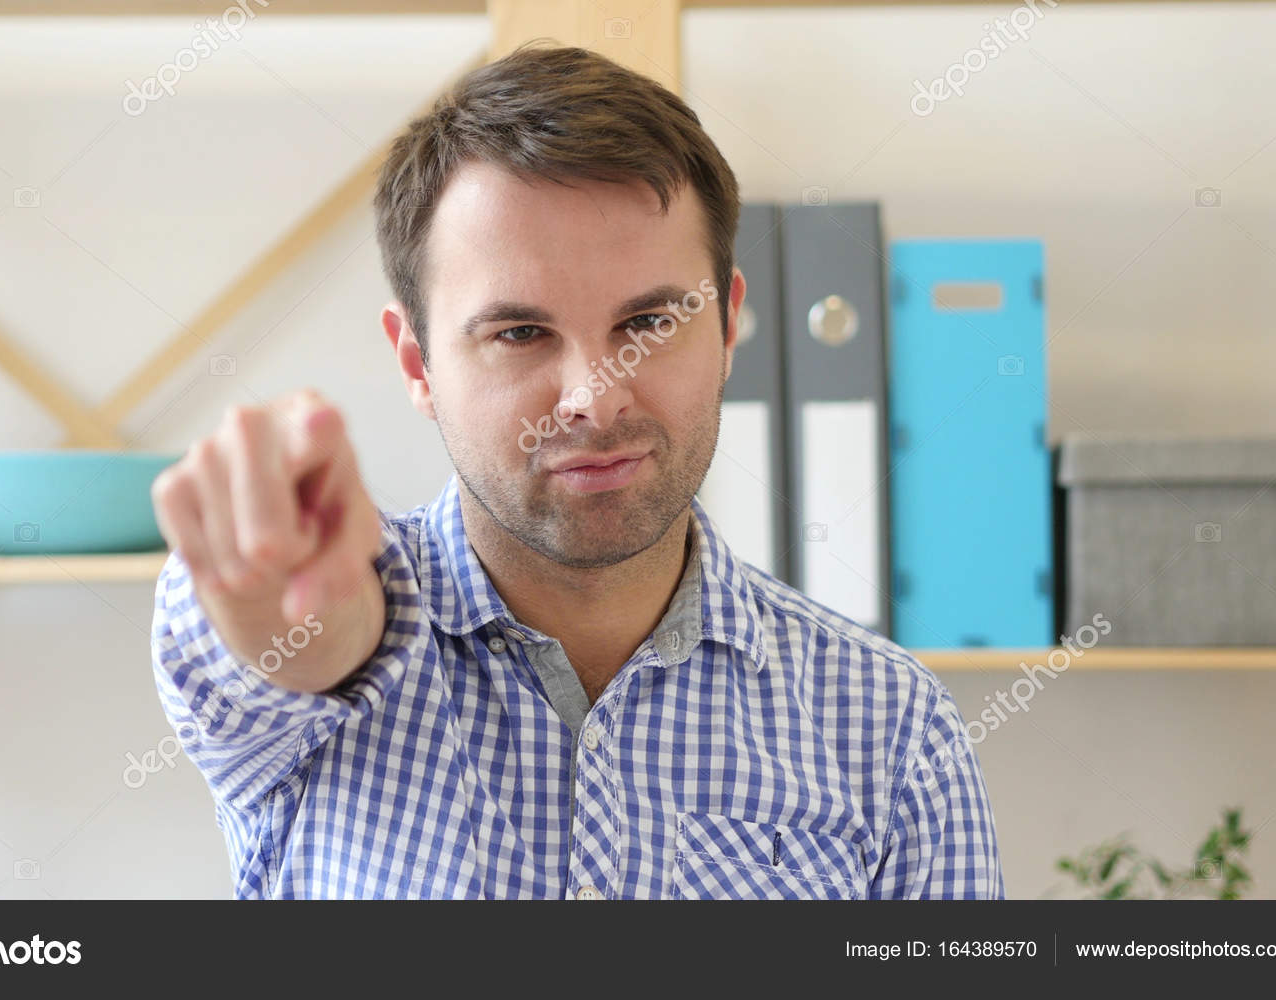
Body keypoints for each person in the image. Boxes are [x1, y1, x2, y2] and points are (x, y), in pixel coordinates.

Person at [147, 43, 1003, 899]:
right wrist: (301, 630)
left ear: (729, 322)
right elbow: (266, 652)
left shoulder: (892, 727)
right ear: (417, 364)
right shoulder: (339, 641)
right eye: (520, 334)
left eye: (650, 322)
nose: (593, 398)